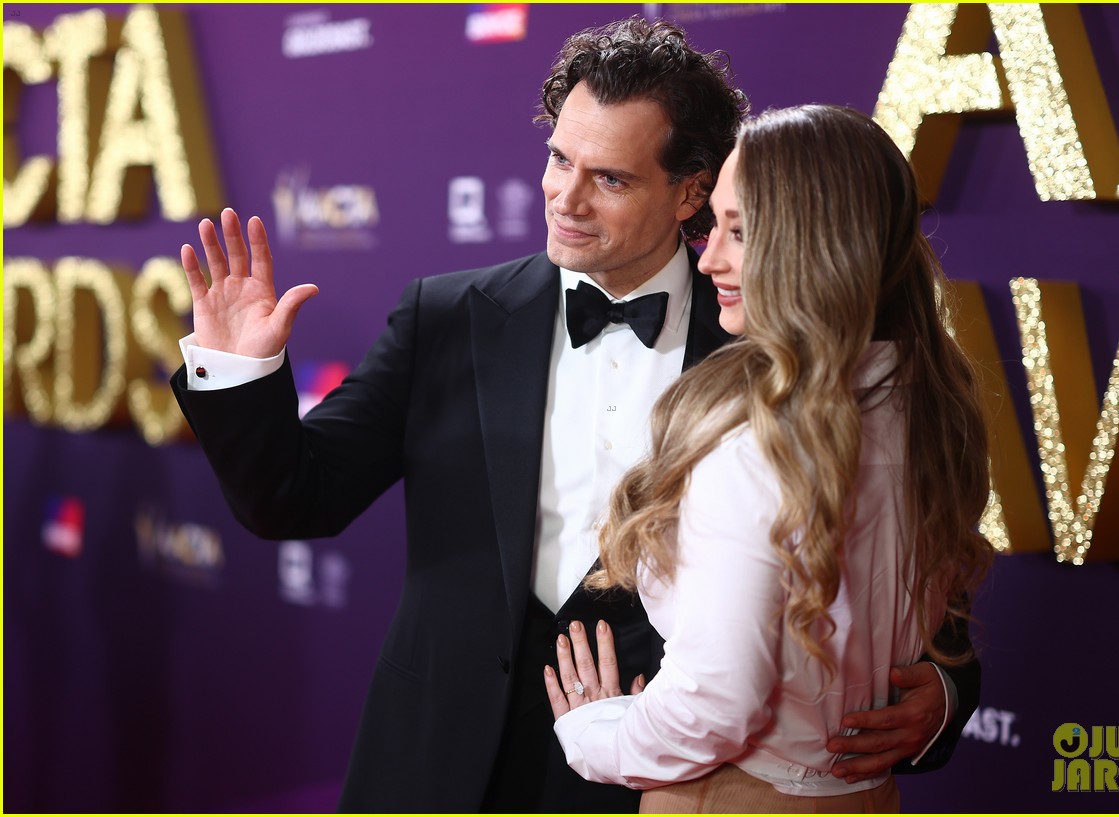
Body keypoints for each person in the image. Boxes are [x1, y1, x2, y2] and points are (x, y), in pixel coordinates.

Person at [170, 19, 976, 813]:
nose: (566, 197)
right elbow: (293, 498)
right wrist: (239, 372)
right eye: (560, 159)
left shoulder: (772, 336)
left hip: (652, 772)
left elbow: (903, 555)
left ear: (691, 190)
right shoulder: (449, 316)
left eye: (611, 179)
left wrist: (942, 690)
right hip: (440, 759)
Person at [542, 104, 995, 812]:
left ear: (817, 247)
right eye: (716, 227)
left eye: (741, 231)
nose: (709, 258)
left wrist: (592, 734)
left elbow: (714, 708)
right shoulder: (927, 406)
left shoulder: (754, 440)